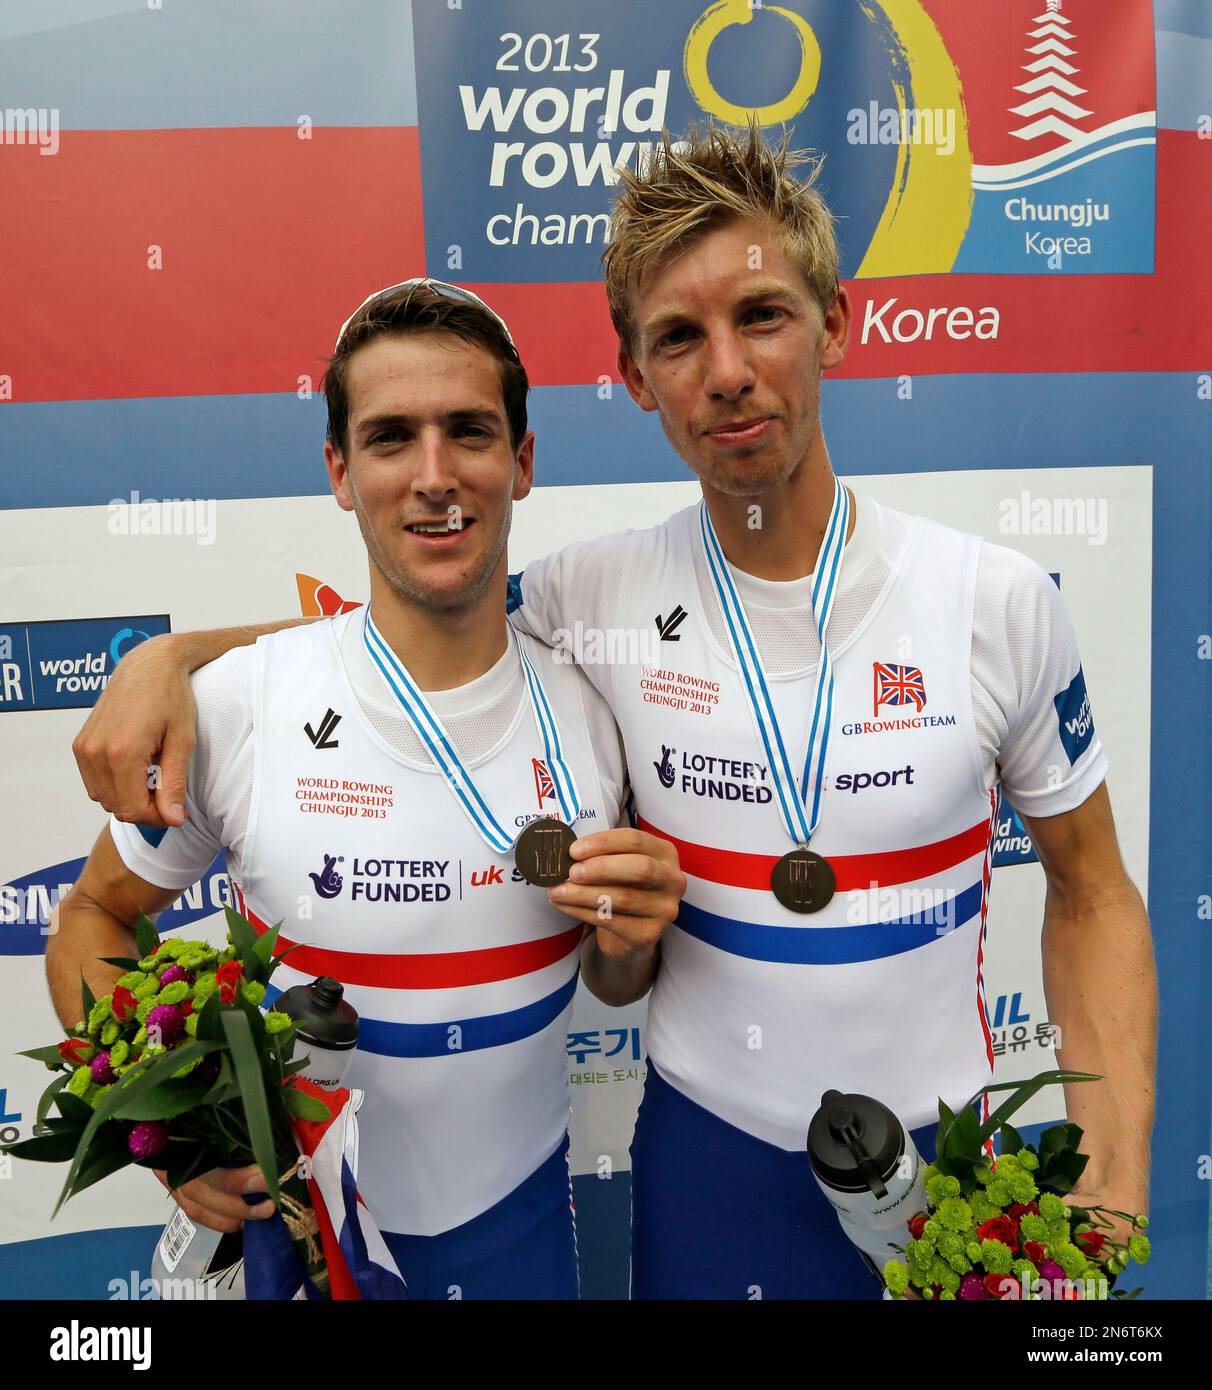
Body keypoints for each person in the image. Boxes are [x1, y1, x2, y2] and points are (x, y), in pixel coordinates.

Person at [73, 122, 1156, 1300]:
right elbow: (400, 628)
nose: (727, 370)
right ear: (636, 377)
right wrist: (171, 662)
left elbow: (1094, 890)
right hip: (705, 1167)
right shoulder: (596, 600)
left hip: (945, 1161)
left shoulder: (996, 603)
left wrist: (1110, 1192)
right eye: (679, 339)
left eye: (763, 317)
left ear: (836, 322)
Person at [49, 279, 685, 1300]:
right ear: (342, 472)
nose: (435, 477)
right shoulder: (240, 703)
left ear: (521, 462)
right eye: (392, 439)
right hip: (291, 1247)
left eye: (469, 432)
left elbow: (614, 983)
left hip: (518, 1245)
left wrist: (631, 944)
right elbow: (91, 913)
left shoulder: (596, 702)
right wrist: (163, 1121)